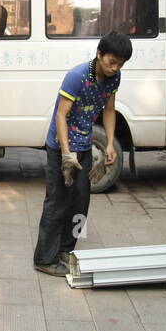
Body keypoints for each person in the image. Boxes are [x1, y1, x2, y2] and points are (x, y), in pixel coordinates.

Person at [33, 32, 131, 277]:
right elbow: (60, 116)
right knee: (57, 202)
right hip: (61, 147)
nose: (115, 68)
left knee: (80, 203)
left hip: (85, 146)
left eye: (120, 64)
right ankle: (44, 258)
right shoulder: (77, 76)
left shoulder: (113, 78)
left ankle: (66, 250)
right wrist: (66, 154)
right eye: (111, 61)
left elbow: (109, 110)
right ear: (99, 54)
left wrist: (109, 144)